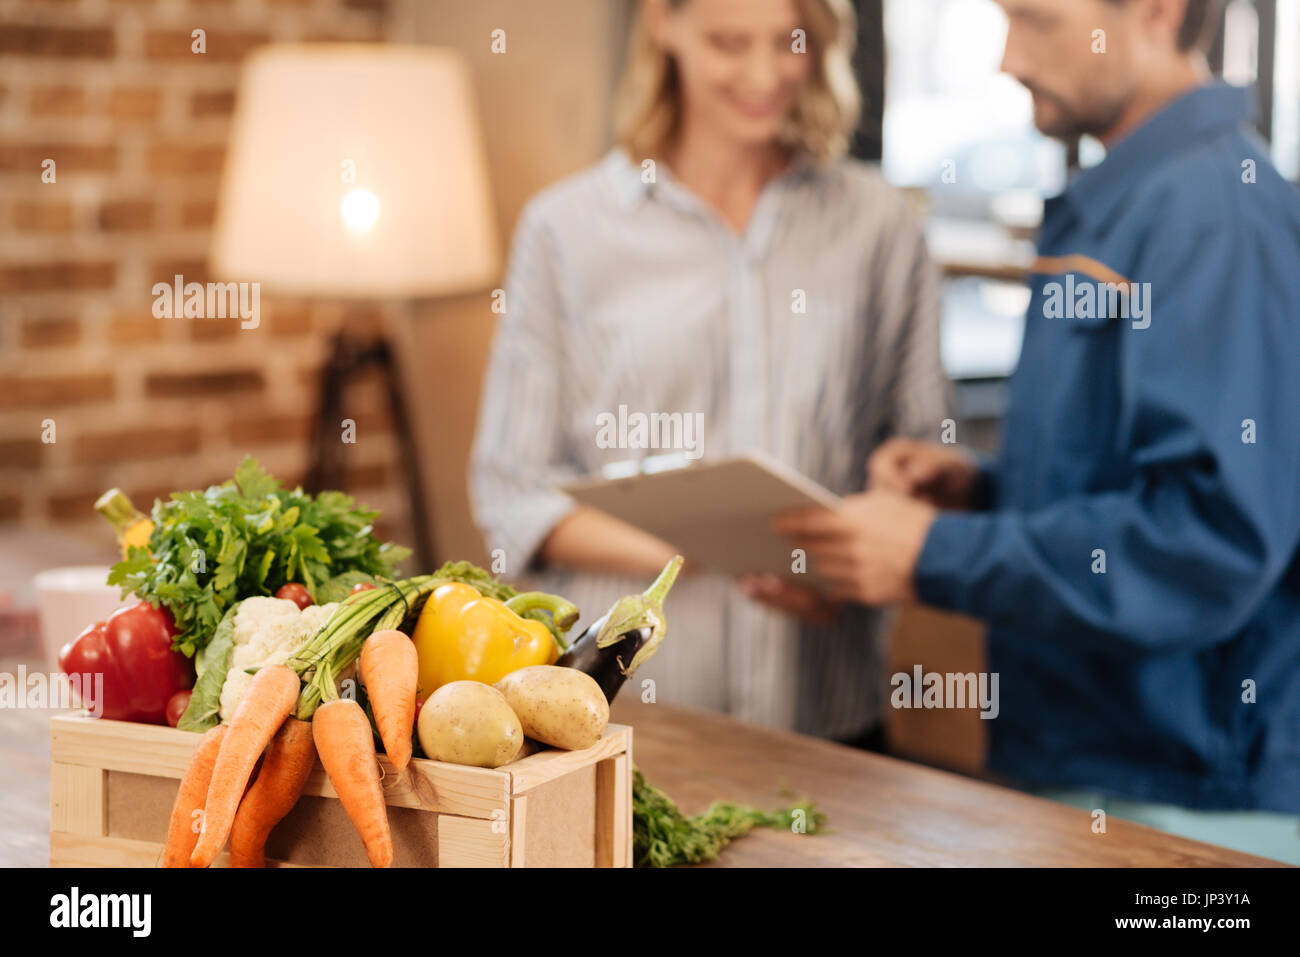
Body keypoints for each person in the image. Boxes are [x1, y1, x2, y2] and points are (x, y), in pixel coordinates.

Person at [770, 0, 1300, 863]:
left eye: (1038, 21)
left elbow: (1212, 538)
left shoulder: (1215, 216)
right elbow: (1133, 481)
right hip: (1093, 767)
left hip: (1182, 796)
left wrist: (935, 552)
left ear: (1158, 13)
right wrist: (979, 491)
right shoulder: (1126, 201)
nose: (1008, 59)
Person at [470, 0, 949, 744]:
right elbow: (512, 489)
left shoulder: (880, 227)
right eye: (729, 43)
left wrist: (843, 570)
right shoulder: (566, 230)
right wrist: (701, 547)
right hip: (623, 716)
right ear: (664, 22)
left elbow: (918, 455)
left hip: (827, 714)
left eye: (786, 44)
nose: (764, 75)